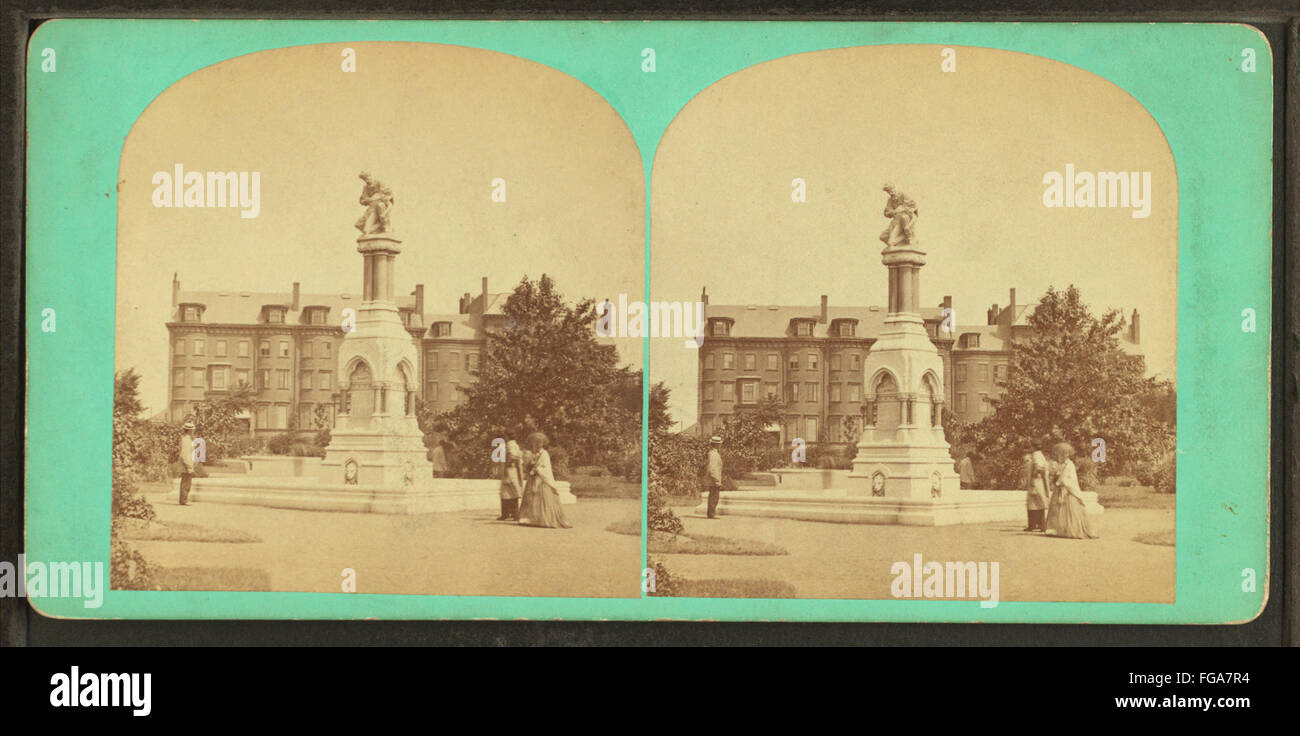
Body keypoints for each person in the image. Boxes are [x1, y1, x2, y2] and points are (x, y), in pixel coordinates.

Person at [1044, 442, 1098, 539]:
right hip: (1061, 488)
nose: (1060, 456)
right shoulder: (1062, 464)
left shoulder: (1070, 465)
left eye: (1062, 454)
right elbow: (1059, 474)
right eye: (1059, 454)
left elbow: (1065, 477)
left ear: (1067, 454)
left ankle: (1073, 530)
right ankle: (1059, 529)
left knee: (1071, 510)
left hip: (1068, 490)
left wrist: (1058, 481)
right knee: (1058, 510)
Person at [517, 432, 570, 529]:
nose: (537, 445)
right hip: (534, 478)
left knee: (543, 498)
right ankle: (531, 518)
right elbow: (531, 464)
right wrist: (530, 466)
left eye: (539, 443)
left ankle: (544, 519)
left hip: (542, 479)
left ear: (542, 444)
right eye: (535, 443)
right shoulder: (534, 454)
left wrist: (536, 469)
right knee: (531, 498)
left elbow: (544, 467)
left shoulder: (544, 454)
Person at [1024, 450, 1050, 531]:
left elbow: (1035, 472)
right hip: (1038, 485)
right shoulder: (1041, 460)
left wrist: (1030, 483)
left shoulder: (1034, 460)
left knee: (1034, 506)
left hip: (1035, 485)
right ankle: (1039, 525)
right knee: (1037, 505)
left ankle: (1036, 525)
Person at [498, 439, 523, 521]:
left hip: (508, 471)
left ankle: (506, 514)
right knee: (513, 493)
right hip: (514, 471)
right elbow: (518, 463)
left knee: (505, 493)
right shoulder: (517, 447)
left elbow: (508, 459)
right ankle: (514, 513)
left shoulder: (508, 446)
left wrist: (504, 469)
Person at [178, 419, 197, 506]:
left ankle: (183, 500)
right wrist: (189, 467)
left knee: (186, 482)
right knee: (186, 483)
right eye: (192, 429)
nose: (193, 431)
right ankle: (183, 501)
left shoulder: (187, 439)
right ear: (189, 430)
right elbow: (185, 454)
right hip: (186, 465)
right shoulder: (186, 440)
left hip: (186, 464)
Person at [705, 436, 724, 519]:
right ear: (717, 445)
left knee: (713, 496)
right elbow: (712, 468)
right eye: (719, 444)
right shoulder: (714, 454)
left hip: (713, 479)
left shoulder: (712, 453)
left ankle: (711, 513)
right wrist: (716, 480)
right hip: (714, 479)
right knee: (714, 497)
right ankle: (711, 514)